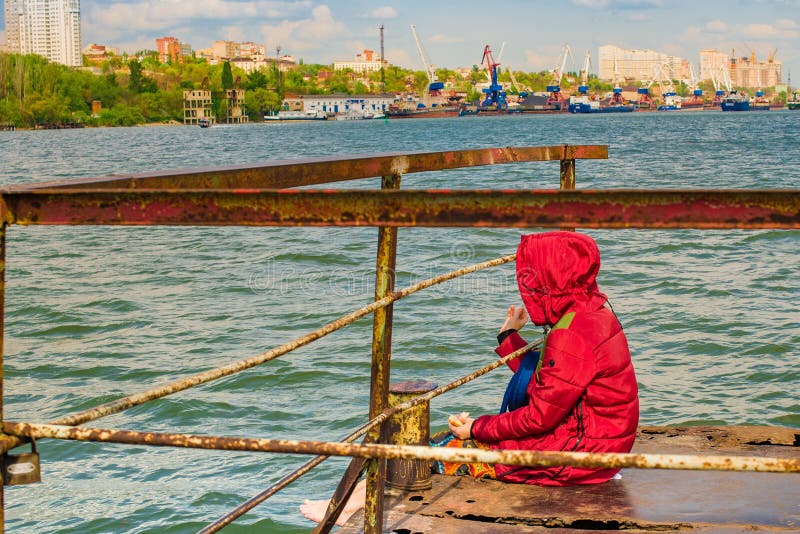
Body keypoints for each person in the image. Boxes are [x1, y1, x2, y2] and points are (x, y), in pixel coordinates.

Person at [300, 231, 639, 524]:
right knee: (433, 445)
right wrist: (508, 337)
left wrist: (476, 428)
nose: (528, 285)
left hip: (576, 457)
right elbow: (554, 381)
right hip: (603, 445)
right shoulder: (593, 313)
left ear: (552, 276)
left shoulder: (570, 335)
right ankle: (351, 503)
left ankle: (347, 509)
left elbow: (539, 416)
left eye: (533, 277)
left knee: (426, 450)